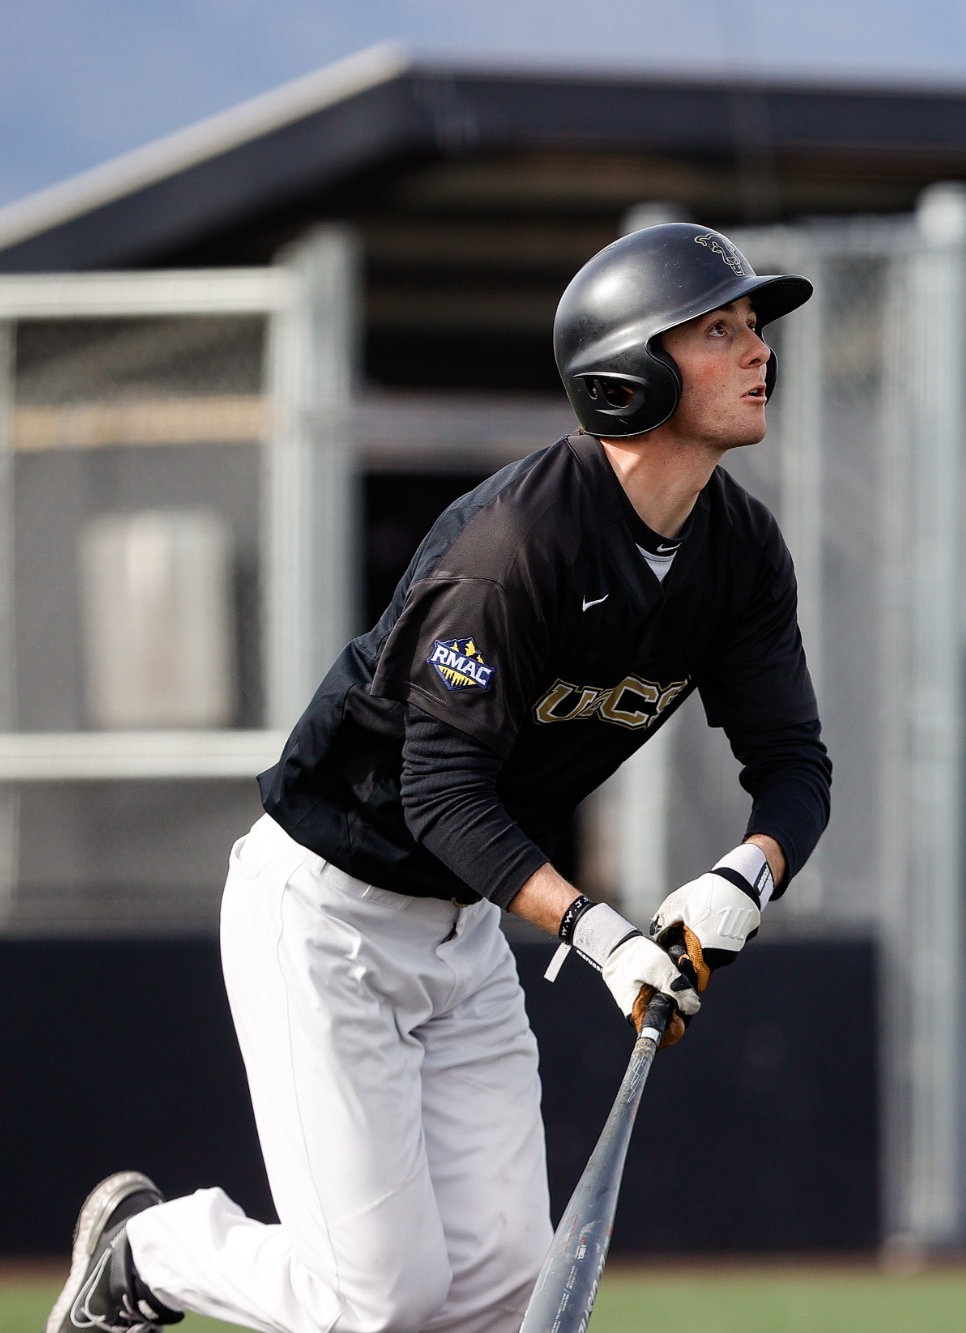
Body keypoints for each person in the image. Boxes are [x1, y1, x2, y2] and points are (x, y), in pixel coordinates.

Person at [45, 224, 832, 1333]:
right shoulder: (513, 544)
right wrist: (601, 935)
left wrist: (743, 875)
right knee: (376, 1303)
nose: (757, 351)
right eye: (719, 329)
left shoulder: (740, 551)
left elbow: (794, 766)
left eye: (755, 327)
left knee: (503, 1295)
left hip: (461, 926)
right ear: (628, 373)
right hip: (322, 914)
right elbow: (441, 793)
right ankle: (150, 1256)